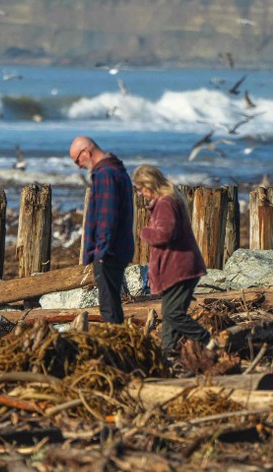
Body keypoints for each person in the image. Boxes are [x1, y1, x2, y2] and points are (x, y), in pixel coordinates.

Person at [132, 163, 211, 360]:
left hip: (180, 269)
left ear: (149, 185)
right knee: (169, 317)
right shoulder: (168, 200)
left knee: (174, 315)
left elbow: (165, 234)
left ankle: (208, 341)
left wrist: (144, 232)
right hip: (178, 269)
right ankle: (166, 355)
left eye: (141, 189)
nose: (140, 194)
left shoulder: (165, 203)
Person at [69, 135, 134, 325]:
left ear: (86, 152)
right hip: (116, 249)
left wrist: (101, 252)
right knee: (111, 303)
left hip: (109, 252)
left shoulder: (106, 174)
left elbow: (107, 218)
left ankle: (116, 348)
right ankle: (119, 342)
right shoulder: (115, 170)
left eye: (77, 160)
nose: (78, 166)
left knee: (108, 307)